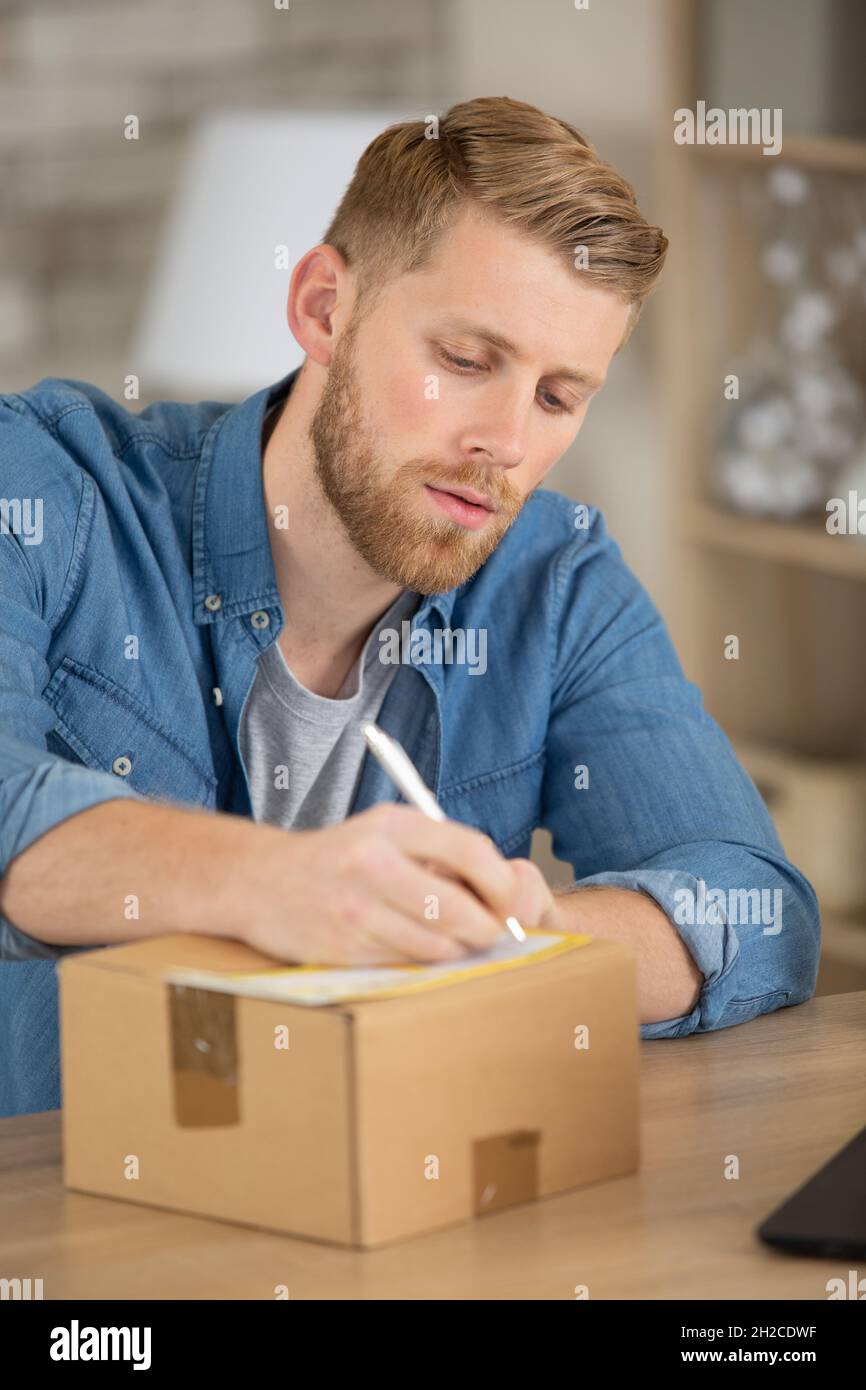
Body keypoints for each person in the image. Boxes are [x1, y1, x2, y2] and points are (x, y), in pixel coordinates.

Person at [0, 97, 819, 1116]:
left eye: (557, 397)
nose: (506, 442)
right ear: (323, 309)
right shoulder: (45, 486)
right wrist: (279, 885)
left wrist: (518, 941)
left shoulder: (553, 579)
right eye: (465, 362)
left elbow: (760, 911)